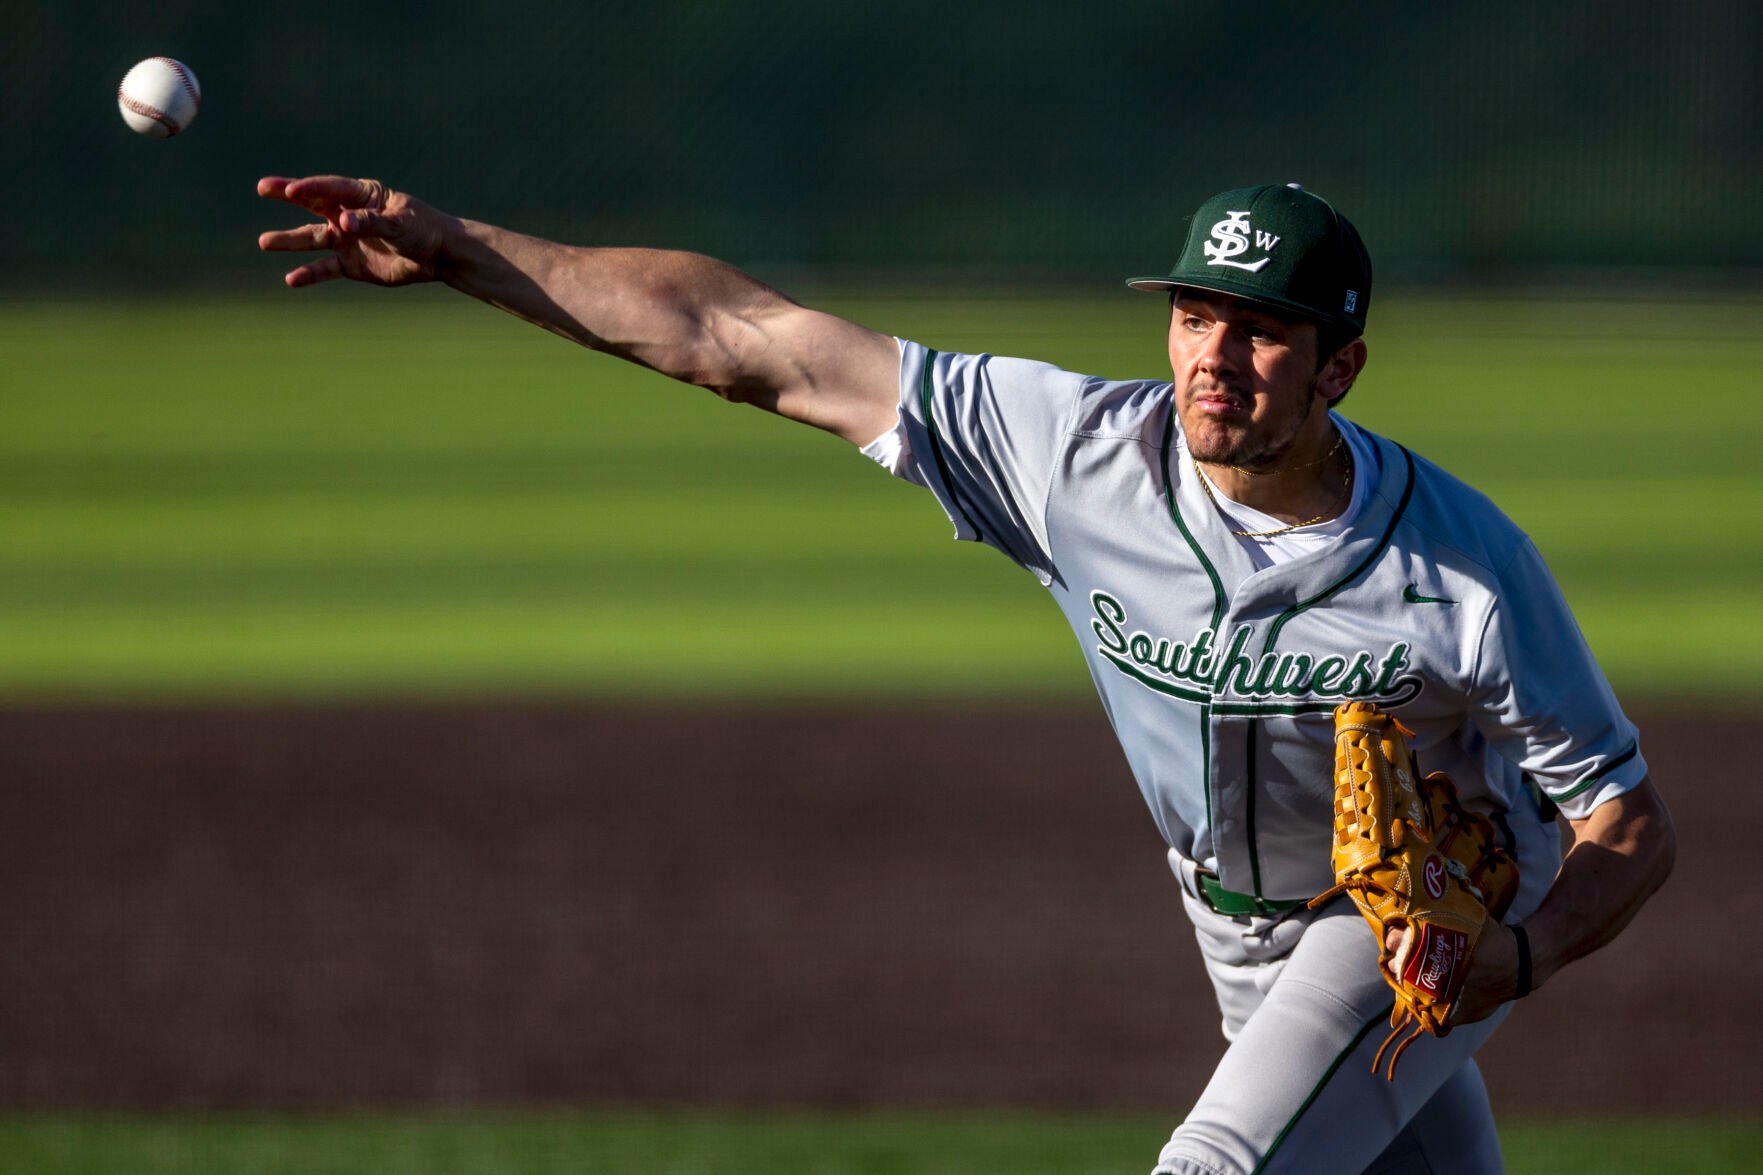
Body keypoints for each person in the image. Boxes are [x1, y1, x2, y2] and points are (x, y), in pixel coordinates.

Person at [257, 175, 1675, 1174]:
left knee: (1216, 1166)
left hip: (1393, 935)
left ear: (1339, 367)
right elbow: (739, 338)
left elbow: (1627, 824)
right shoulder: (1073, 456)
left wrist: (1522, 954)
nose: (1215, 357)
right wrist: (457, 252)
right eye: (1194, 313)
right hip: (1225, 932)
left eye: (1261, 330)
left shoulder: (1463, 573)